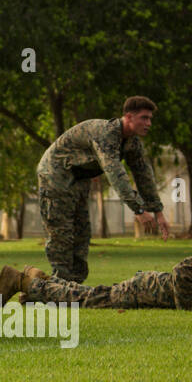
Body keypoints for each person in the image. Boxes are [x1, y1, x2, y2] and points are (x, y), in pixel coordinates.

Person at [37, 95, 169, 283]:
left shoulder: (132, 142)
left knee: (82, 234)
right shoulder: (106, 134)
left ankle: (74, 287)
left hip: (79, 179)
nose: (148, 123)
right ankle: (58, 286)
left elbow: (143, 174)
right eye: (144, 118)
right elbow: (114, 172)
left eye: (150, 119)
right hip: (56, 175)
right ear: (129, 117)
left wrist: (158, 211)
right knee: (62, 234)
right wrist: (138, 209)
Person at [0, 228, 192, 310]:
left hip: (149, 291)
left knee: (89, 293)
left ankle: (37, 283)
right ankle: (23, 282)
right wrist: (187, 309)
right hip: (145, 291)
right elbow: (183, 270)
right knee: (87, 300)